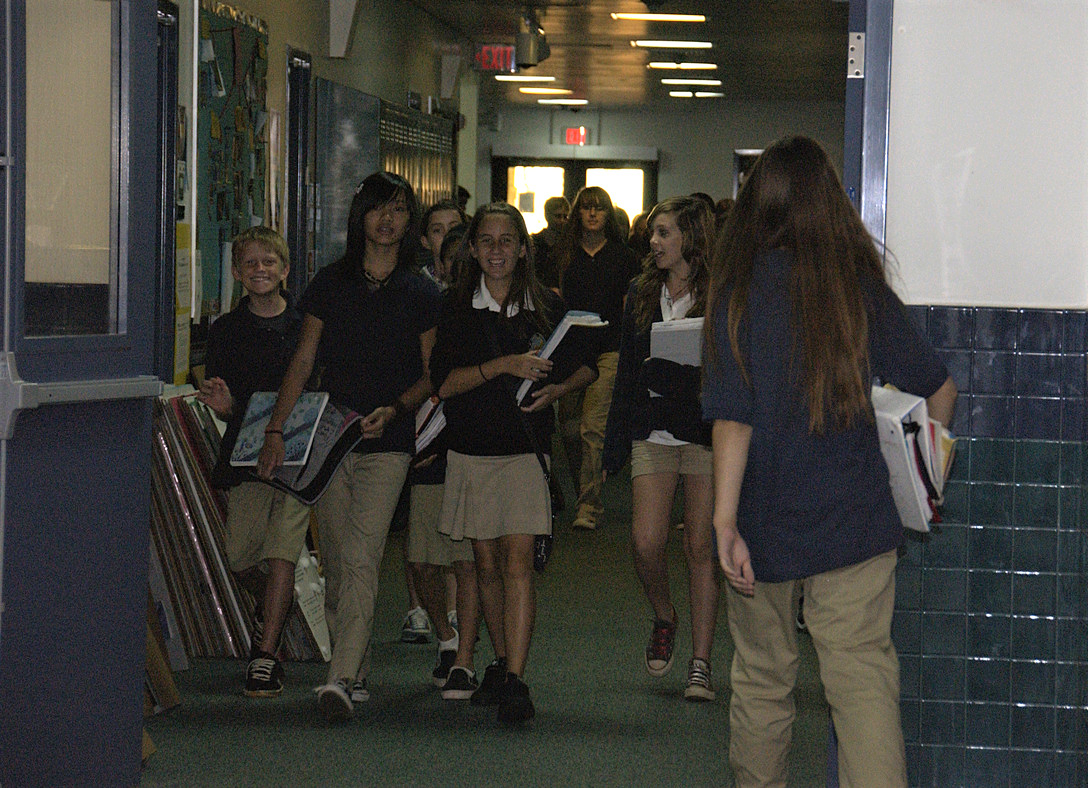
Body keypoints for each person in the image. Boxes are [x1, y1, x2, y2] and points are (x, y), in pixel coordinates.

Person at [702, 136, 957, 787]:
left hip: (762, 521)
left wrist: (723, 523)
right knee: (863, 684)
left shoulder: (736, 294)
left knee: (762, 681)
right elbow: (939, 388)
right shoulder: (857, 288)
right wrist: (925, 477)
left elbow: (733, 420)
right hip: (856, 521)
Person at [257, 171, 442, 722]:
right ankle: (355, 666)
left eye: (399, 210)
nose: (387, 220)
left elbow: (432, 372)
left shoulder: (421, 291)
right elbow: (304, 359)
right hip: (331, 439)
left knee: (363, 555)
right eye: (378, 208)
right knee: (338, 560)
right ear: (360, 215)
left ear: (409, 222)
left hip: (389, 439)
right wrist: (275, 430)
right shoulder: (330, 283)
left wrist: (398, 408)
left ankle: (339, 676)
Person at [430, 202, 597, 724]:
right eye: (487, 240)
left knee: (518, 564)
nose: (497, 250)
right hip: (471, 450)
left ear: (523, 248)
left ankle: (517, 681)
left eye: (507, 240)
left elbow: (587, 366)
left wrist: (559, 391)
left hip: (525, 451)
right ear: (473, 249)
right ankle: (502, 663)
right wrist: (504, 365)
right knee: (486, 566)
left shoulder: (545, 305)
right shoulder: (456, 307)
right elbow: (444, 384)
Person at [603, 196, 719, 701]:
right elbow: (629, 370)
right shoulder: (640, 290)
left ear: (691, 237)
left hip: (703, 434)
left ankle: (700, 663)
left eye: (664, 232)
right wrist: (614, 442)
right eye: (653, 232)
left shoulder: (721, 291)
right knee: (646, 542)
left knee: (699, 546)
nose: (653, 241)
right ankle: (665, 615)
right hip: (653, 431)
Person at [197, 226, 310, 699]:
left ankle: (265, 656)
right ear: (238, 273)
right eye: (250, 263)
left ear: (285, 270)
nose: (260, 270)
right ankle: (275, 605)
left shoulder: (306, 326)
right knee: (241, 557)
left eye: (269, 262)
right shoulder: (226, 330)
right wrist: (225, 407)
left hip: (298, 456)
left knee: (282, 551)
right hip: (245, 456)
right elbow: (224, 396)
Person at [557, 186, 639, 530]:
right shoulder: (564, 255)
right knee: (569, 430)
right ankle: (583, 493)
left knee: (592, 426)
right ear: (578, 213)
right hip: (570, 351)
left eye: (599, 208)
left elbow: (630, 309)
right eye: (586, 207)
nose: (592, 214)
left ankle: (589, 505)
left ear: (608, 214)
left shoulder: (624, 257)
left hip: (609, 347)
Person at [419, 198, 468, 291]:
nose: (446, 234)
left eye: (454, 227)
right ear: (425, 241)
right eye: (437, 230)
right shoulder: (416, 286)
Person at [530, 195, 570, 290]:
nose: (562, 221)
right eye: (558, 216)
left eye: (565, 217)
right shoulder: (534, 242)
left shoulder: (569, 244)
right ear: (547, 216)